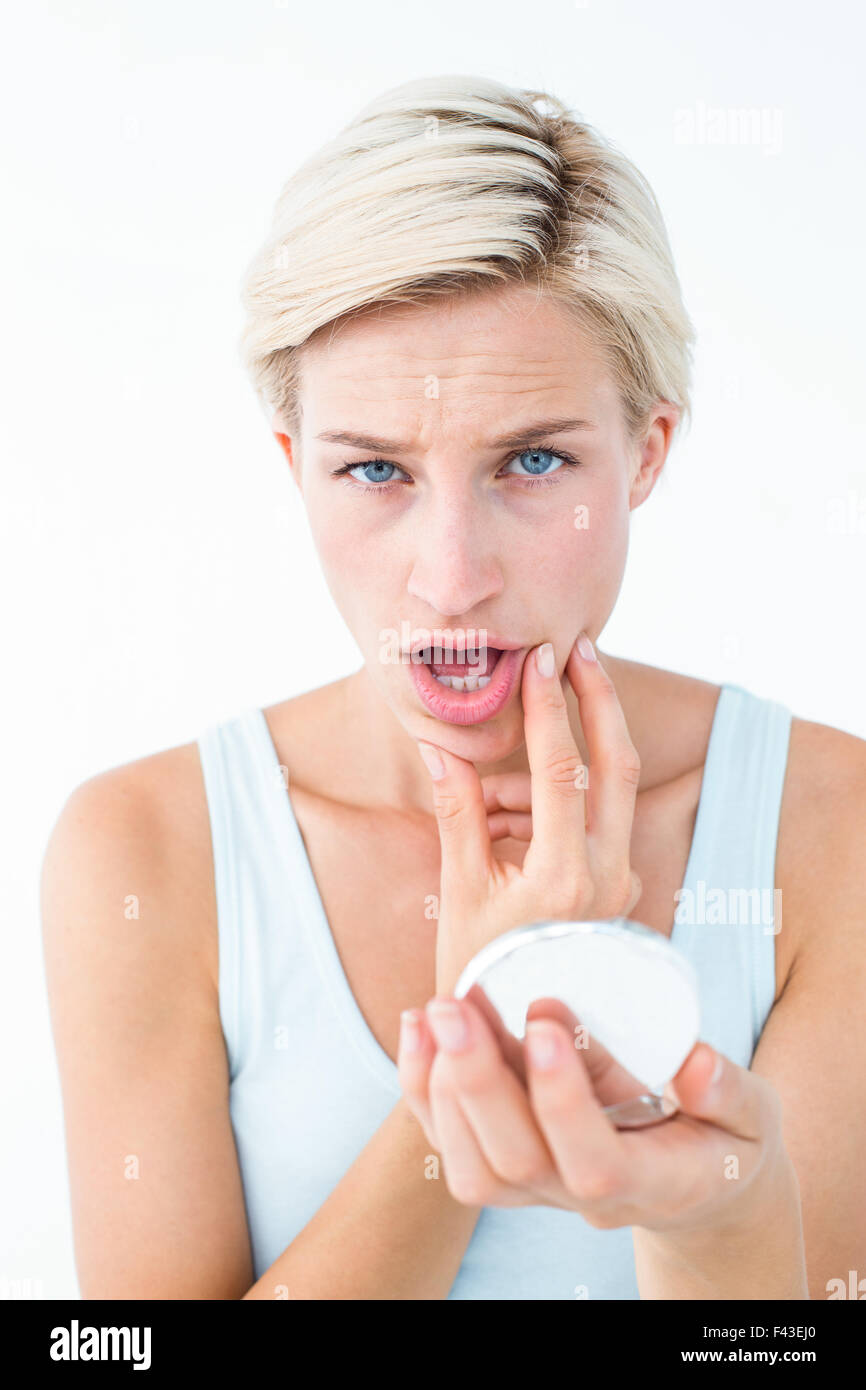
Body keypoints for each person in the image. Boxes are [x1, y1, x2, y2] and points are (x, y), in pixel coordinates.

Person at [41, 73, 866, 1301]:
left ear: (644, 452)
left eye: (532, 461)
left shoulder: (831, 828)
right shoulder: (145, 851)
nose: (449, 580)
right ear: (293, 466)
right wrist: (472, 1043)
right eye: (374, 472)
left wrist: (717, 1211)